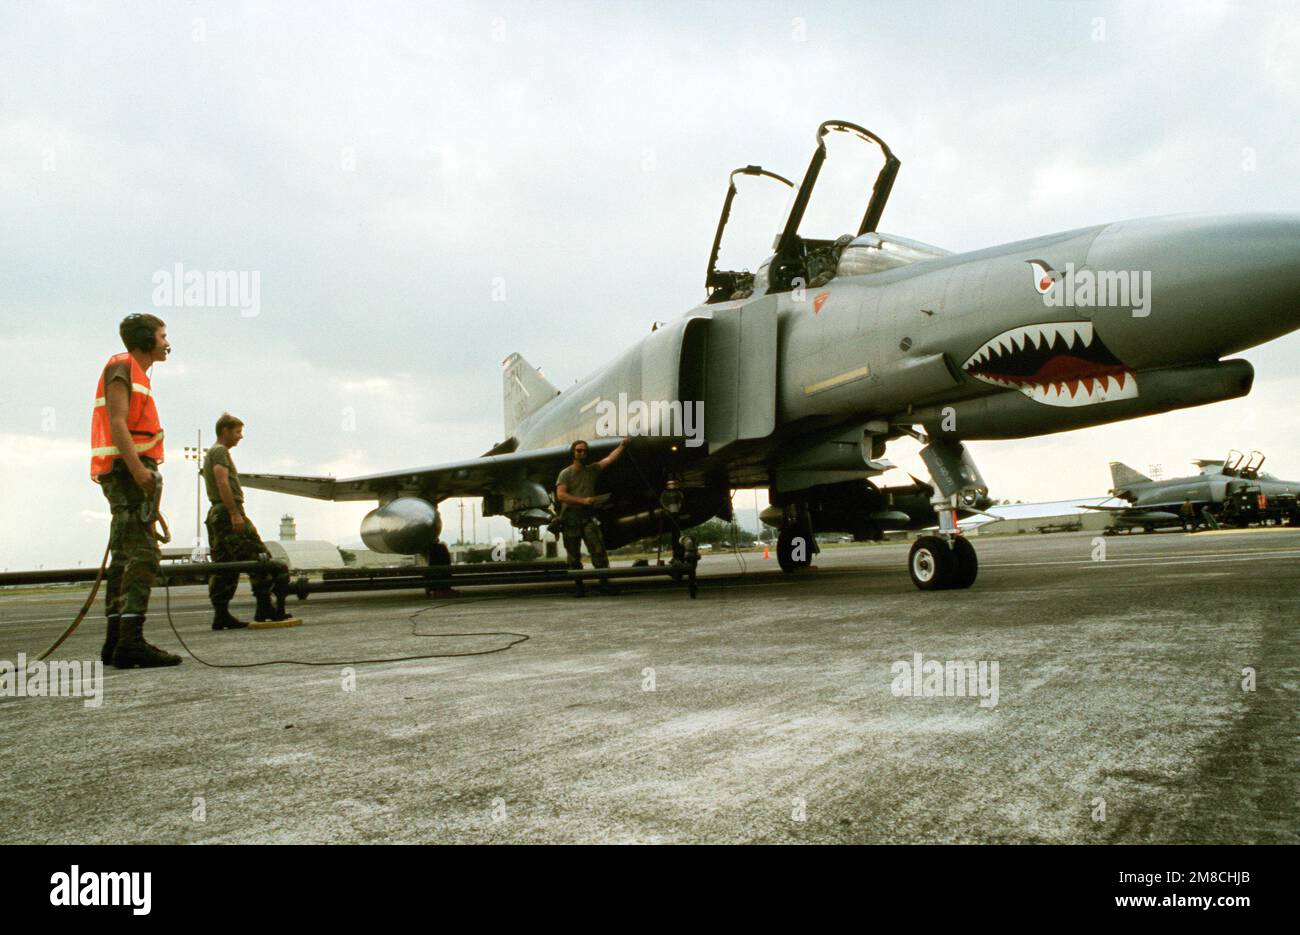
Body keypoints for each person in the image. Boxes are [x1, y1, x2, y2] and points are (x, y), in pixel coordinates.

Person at [91, 313, 181, 668]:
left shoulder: (138, 372)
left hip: (130, 474)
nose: (166, 341)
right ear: (146, 338)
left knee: (125, 556)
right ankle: (130, 642)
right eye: (161, 335)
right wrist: (139, 469)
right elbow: (116, 421)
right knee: (143, 555)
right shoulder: (122, 365)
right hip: (127, 472)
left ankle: (116, 643)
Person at [203, 414, 297, 627]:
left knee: (225, 565)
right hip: (228, 512)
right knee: (261, 558)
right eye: (237, 432)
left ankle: (221, 614)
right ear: (225, 431)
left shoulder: (213, 452)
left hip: (217, 513)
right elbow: (222, 481)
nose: (240, 437)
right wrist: (235, 513)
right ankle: (264, 607)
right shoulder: (220, 452)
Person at [555, 438, 627, 597]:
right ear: (573, 453)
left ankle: (604, 584)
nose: (582, 453)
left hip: (587, 516)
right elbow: (561, 495)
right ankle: (579, 586)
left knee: (599, 551)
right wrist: (583, 501)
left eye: (585, 451)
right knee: (573, 556)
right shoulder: (566, 473)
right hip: (571, 519)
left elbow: (609, 459)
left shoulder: (592, 470)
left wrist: (622, 446)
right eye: (579, 450)